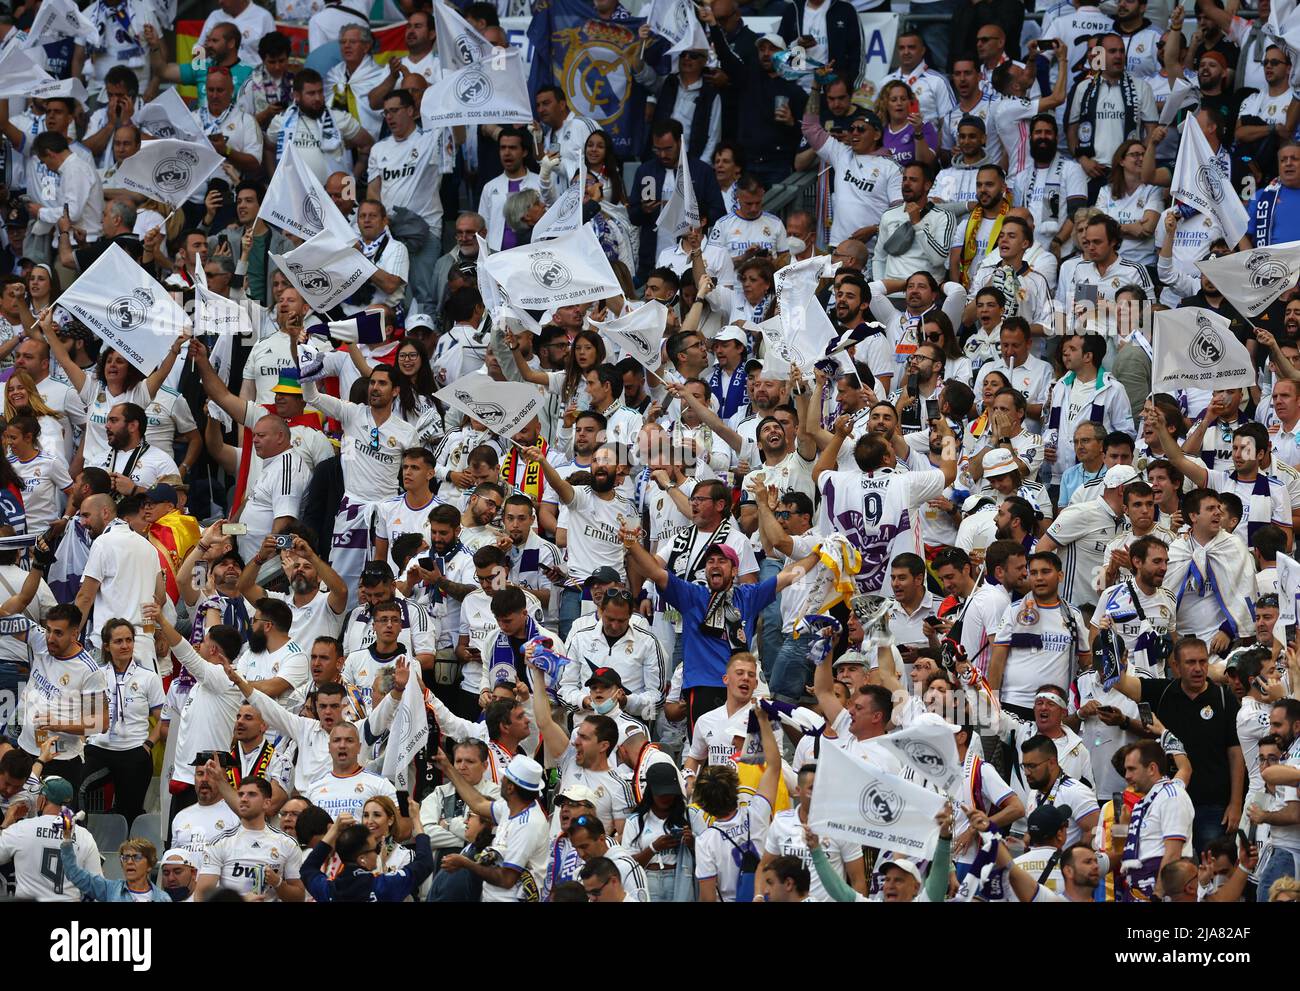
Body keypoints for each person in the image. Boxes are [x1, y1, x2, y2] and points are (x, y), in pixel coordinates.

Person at [1113, 636, 1245, 852]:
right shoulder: (1162, 692)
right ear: (1175, 666)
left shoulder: (1224, 698)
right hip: (1168, 801)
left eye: (1203, 662)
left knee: (1210, 865)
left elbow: (1236, 753)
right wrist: (1111, 646)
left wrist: (1236, 803)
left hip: (1212, 805)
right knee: (1168, 864)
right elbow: (1120, 683)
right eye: (1190, 662)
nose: (1198, 669)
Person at [433, 750, 549, 902]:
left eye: (505, 778)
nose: (501, 781)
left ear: (511, 788)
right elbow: (478, 804)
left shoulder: (528, 825)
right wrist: (447, 767)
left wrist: (466, 863)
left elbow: (506, 879)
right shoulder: (511, 806)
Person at [196, 776, 306, 901]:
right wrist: (241, 900)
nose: (244, 799)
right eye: (241, 794)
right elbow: (200, 897)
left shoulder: (287, 843)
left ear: (267, 803)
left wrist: (278, 883)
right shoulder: (220, 843)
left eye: (251, 794)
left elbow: (299, 897)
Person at [0, 777, 101, 901]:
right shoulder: (84, 836)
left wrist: (7, 822)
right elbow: (98, 889)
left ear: (43, 800)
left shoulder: (21, 829)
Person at [302, 812, 434, 902]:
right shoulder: (382, 887)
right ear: (362, 859)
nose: (378, 853)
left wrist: (334, 829)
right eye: (375, 849)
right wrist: (416, 819)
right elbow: (424, 863)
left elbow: (307, 869)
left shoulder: (329, 890)